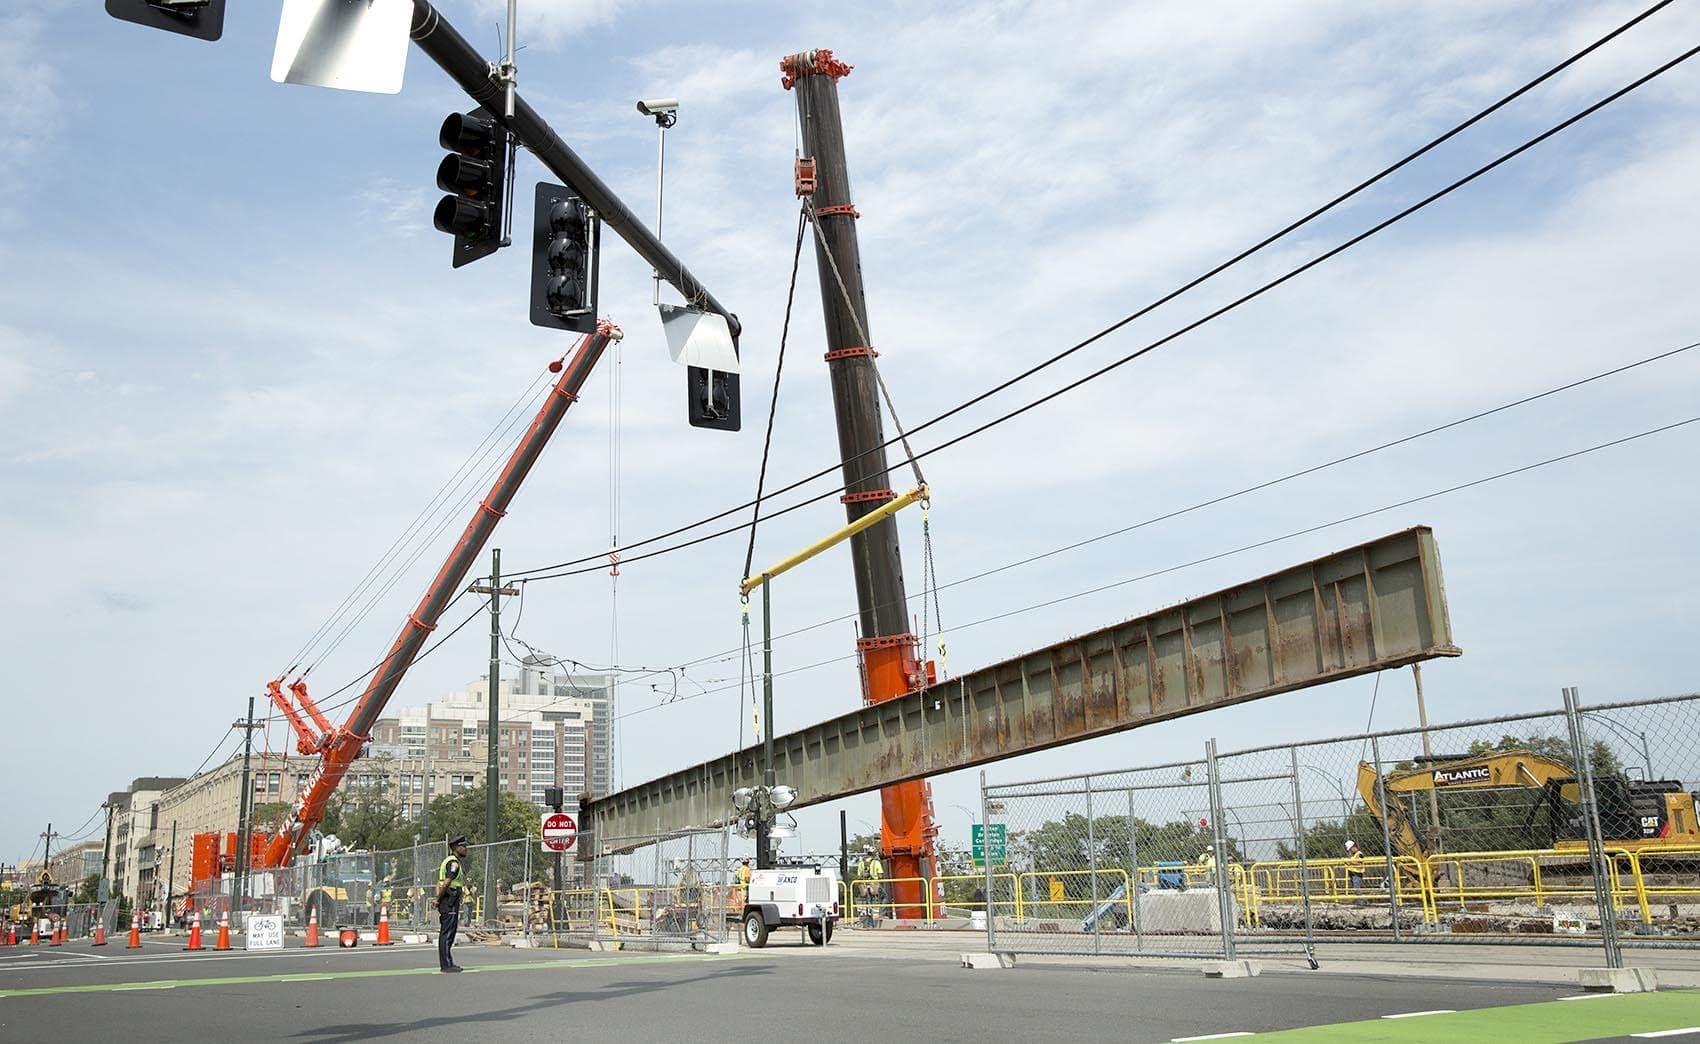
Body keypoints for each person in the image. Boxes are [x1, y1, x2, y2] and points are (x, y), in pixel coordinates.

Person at [435, 835, 470, 973]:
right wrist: (438, 899)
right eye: (464, 846)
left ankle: (447, 963)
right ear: (456, 848)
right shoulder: (453, 863)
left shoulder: (449, 861)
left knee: (448, 932)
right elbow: (447, 882)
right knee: (447, 933)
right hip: (449, 901)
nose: (466, 849)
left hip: (448, 900)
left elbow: (439, 882)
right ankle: (447, 965)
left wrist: (438, 899)